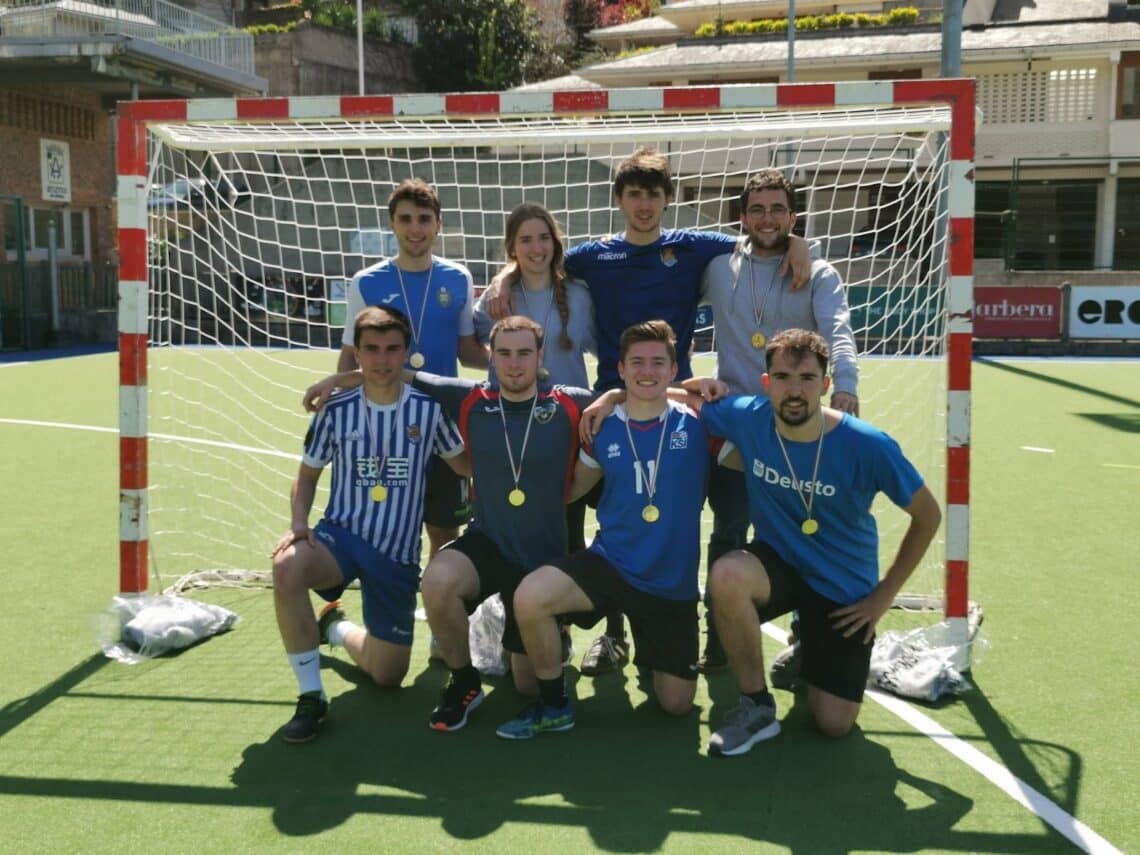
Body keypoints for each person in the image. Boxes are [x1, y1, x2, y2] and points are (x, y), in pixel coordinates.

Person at [484, 147, 812, 678]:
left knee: (716, 515)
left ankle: (716, 634)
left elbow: (760, 237)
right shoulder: (596, 255)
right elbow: (537, 257)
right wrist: (502, 278)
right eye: (633, 194)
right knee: (614, 520)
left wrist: (797, 241)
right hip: (609, 407)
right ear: (619, 199)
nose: (643, 204)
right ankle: (611, 636)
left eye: (653, 194)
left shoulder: (693, 248)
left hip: (677, 402)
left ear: (668, 198)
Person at [689, 329, 941, 755]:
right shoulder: (749, 416)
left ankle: (811, 647)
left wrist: (882, 598)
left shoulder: (867, 445)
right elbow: (671, 396)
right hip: (779, 565)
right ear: (767, 383)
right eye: (784, 377)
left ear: (825, 385)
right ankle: (756, 705)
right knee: (727, 574)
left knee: (833, 723)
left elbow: (928, 515)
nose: (795, 390)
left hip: (842, 583)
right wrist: (614, 399)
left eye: (807, 378)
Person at [499, 320, 712, 739]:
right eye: (637, 362)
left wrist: (620, 393)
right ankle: (553, 702)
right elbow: (573, 488)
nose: (646, 371)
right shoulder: (600, 427)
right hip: (611, 565)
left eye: (657, 363)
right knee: (530, 596)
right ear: (620, 367)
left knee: (676, 705)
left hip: (671, 586)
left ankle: (652, 653)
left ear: (674, 370)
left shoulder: (702, 425)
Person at [271, 306, 467, 743]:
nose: (382, 360)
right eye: (371, 350)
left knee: (388, 676)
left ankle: (335, 629)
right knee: (287, 565)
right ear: (356, 353)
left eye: (392, 349)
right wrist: (299, 524)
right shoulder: (335, 409)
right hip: (339, 538)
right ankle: (310, 697)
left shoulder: (429, 412)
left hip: (396, 555)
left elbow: (466, 466)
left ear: (406, 353)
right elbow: (306, 478)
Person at [697, 167, 860, 673]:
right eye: (758, 209)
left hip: (797, 430)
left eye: (778, 209)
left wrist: (847, 383)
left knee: (804, 535)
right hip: (737, 431)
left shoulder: (819, 272)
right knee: (727, 533)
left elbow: (838, 329)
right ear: (742, 216)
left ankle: (803, 641)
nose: (768, 219)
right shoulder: (718, 267)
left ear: (794, 216)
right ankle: (718, 642)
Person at [408, 316, 597, 731]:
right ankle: (464, 682)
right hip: (488, 541)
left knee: (527, 684)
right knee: (437, 580)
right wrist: (333, 383)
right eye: (504, 354)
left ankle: (547, 634)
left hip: (545, 556)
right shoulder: (469, 399)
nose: (514, 365)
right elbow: (395, 373)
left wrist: (612, 396)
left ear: (540, 356)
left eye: (524, 353)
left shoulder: (571, 402)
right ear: (491, 356)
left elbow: (635, 394)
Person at [337, 178, 488, 560]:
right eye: (405, 219)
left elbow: (467, 349)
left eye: (424, 219)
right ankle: (393, 613)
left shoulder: (458, 278)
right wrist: (339, 404)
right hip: (386, 421)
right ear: (392, 224)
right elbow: (350, 356)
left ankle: (439, 612)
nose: (415, 228)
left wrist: (516, 366)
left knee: (444, 531)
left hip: (443, 423)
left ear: (438, 224)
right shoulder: (366, 282)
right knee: (388, 528)